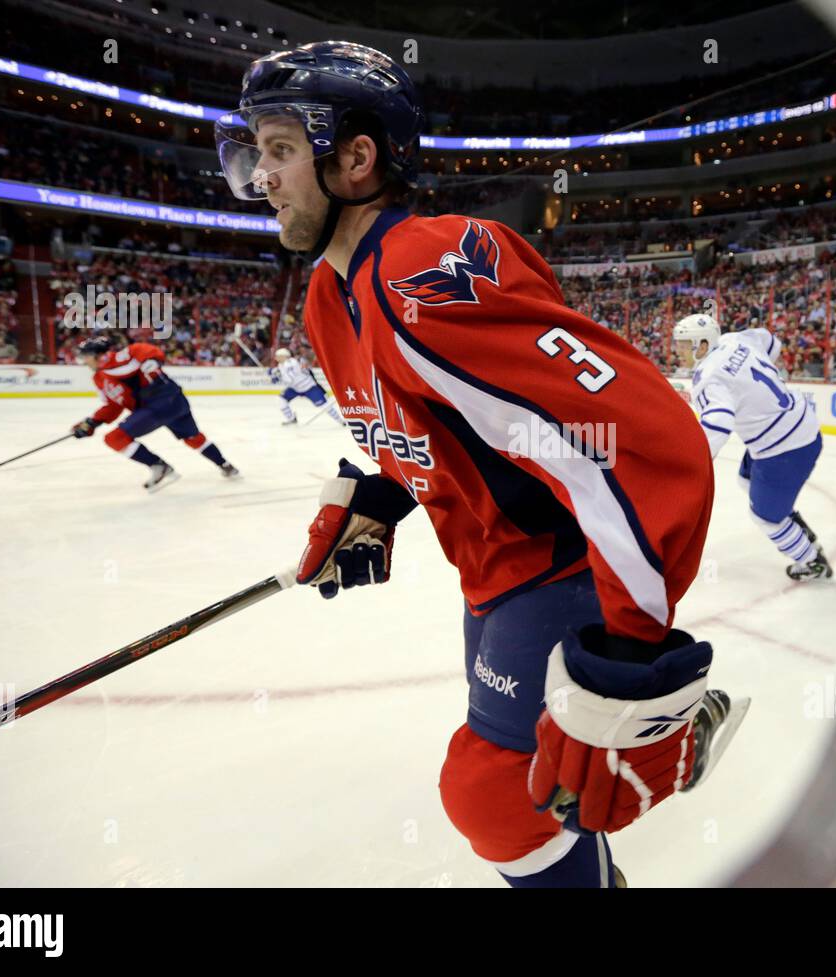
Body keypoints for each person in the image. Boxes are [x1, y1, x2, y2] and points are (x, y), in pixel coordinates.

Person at [216, 41, 744, 887]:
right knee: (551, 790)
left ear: (355, 159)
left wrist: (630, 649)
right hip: (493, 576)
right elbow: (439, 423)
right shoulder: (328, 295)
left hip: (560, 568)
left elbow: (644, 439)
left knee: (493, 794)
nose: (261, 175)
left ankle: (664, 735)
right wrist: (377, 498)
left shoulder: (423, 268)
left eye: (280, 149)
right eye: (254, 152)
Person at [673, 313, 832, 581]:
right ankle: (798, 527)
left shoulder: (708, 378)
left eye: (684, 344)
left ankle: (812, 562)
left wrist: (689, 466)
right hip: (799, 424)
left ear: (702, 345)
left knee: (765, 518)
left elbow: (718, 425)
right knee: (745, 480)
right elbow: (772, 343)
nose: (679, 351)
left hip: (783, 448)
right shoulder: (735, 339)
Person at [70, 335, 239, 491]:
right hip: (174, 401)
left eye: (85, 356)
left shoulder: (120, 358)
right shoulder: (100, 378)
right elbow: (113, 406)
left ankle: (159, 466)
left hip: (159, 402)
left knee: (114, 438)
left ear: (96, 355)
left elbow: (145, 350)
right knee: (193, 438)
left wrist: (152, 359)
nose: (84, 361)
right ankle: (225, 466)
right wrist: (92, 422)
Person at [269, 347, 344, 426]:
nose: (276, 357)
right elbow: (283, 374)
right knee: (280, 399)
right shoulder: (282, 364)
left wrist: (277, 377)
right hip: (295, 388)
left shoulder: (291, 363)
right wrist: (275, 373)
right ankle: (291, 418)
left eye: (277, 356)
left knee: (324, 405)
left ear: (284, 356)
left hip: (309, 388)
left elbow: (289, 380)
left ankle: (341, 420)